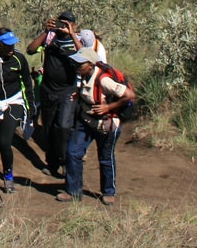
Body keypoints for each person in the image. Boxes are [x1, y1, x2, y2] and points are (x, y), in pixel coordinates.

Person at [57, 47, 136, 205]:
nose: (76, 66)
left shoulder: (104, 80)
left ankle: (108, 192)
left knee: (105, 157)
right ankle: (73, 191)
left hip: (106, 124)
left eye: (80, 64)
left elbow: (130, 95)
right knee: (73, 153)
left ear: (91, 65)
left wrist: (108, 107)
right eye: (76, 63)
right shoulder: (83, 75)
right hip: (86, 121)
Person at [26, 11, 83, 179]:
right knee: (49, 128)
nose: (62, 26)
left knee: (64, 127)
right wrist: (46, 31)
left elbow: (85, 57)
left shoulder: (76, 41)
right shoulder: (50, 37)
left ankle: (66, 162)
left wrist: (71, 34)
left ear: (74, 25)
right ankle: (52, 163)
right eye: (61, 23)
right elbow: (30, 49)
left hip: (67, 91)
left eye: (67, 24)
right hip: (48, 90)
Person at [0, 27, 35, 194]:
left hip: (14, 102)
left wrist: (30, 108)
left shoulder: (19, 59)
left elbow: (27, 84)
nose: (11, 49)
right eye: (7, 45)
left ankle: (8, 177)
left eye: (13, 45)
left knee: (5, 141)